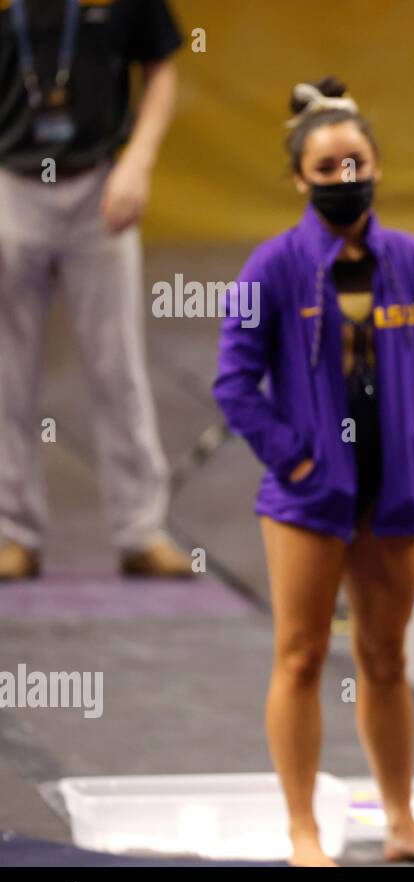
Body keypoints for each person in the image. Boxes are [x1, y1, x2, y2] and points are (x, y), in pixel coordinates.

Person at [212, 78, 414, 867]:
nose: (342, 178)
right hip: (306, 499)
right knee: (299, 656)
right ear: (300, 179)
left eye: (354, 162)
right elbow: (234, 382)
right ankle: (304, 833)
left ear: (378, 166)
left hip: (393, 496)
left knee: (387, 660)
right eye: (325, 169)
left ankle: (401, 822)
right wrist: (295, 457)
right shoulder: (273, 267)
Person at [0, 0, 192, 579]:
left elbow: (162, 65)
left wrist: (140, 160)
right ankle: (13, 531)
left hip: (99, 186)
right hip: (10, 184)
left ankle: (139, 530)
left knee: (118, 366)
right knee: (6, 370)